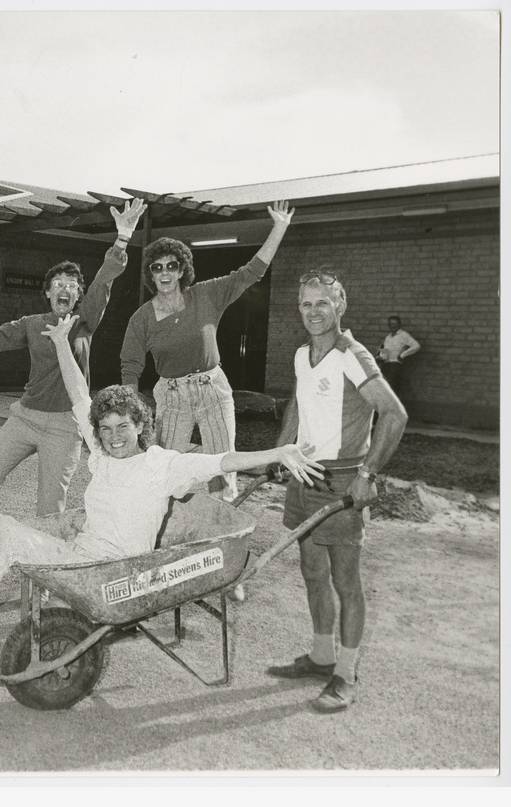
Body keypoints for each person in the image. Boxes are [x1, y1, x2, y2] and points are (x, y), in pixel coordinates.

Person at [0, 313, 325, 657]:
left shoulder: (163, 465)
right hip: (85, 558)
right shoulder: (104, 457)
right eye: (105, 428)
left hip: (111, 570)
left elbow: (225, 459)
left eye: (122, 426)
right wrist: (64, 343)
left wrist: (278, 453)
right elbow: (77, 395)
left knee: (4, 535)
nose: (113, 436)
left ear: (140, 424)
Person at [268, 271, 407, 713]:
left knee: (346, 581)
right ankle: (322, 655)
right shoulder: (301, 353)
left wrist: (368, 473)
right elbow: (299, 404)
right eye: (306, 303)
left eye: (322, 303)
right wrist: (280, 450)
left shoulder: (352, 354)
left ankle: (346, 674)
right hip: (305, 477)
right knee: (312, 572)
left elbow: (394, 414)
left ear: (340, 306)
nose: (313, 312)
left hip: (344, 481)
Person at [0, 198, 147, 517]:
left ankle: (45, 554)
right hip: (24, 418)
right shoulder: (31, 324)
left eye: (71, 287)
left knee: (50, 506)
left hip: (65, 427)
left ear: (78, 295)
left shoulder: (85, 322)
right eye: (57, 286)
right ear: (48, 293)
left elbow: (103, 281)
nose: (64, 290)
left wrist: (122, 238)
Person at [119, 201, 295, 502]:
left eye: (171, 266)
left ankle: (224, 535)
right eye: (157, 267)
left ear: (182, 269)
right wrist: (132, 414)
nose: (165, 273)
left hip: (211, 390)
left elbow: (250, 273)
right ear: (150, 273)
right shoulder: (143, 318)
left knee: (223, 471)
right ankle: (163, 531)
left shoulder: (205, 295)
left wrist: (279, 227)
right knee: (166, 471)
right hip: (172, 397)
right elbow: (130, 366)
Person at [376, 315, 420, 400]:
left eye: (395, 324)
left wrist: (402, 355)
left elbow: (416, 346)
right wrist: (379, 356)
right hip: (386, 365)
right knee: (383, 387)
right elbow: (383, 348)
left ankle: (393, 410)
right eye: (391, 324)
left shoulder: (404, 335)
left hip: (395, 366)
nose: (393, 325)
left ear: (400, 324)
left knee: (392, 389)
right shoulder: (388, 337)